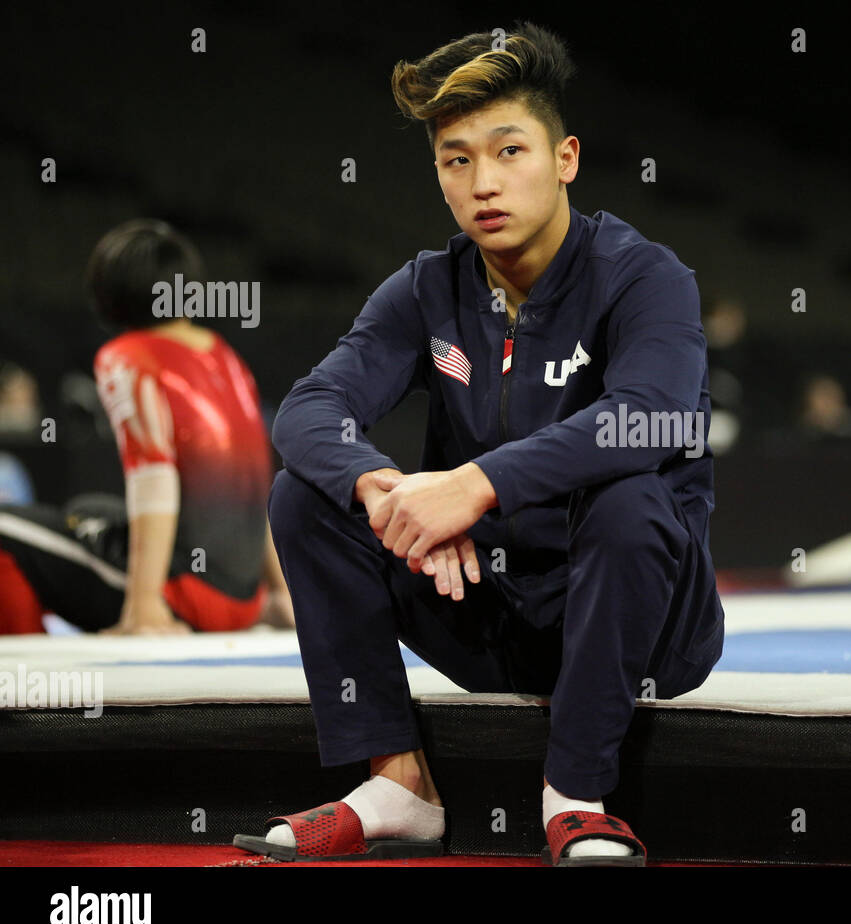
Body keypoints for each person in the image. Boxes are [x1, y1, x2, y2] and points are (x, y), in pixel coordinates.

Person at [236, 21, 724, 866]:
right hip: (488, 614)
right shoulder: (429, 288)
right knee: (306, 492)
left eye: (508, 151)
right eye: (456, 159)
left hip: (642, 623)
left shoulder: (645, 278)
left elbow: (652, 417)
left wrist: (475, 484)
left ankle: (576, 794)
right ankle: (398, 783)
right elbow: (310, 408)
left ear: (565, 157)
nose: (483, 182)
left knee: (631, 496)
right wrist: (384, 487)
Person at [0, 219, 293, 635]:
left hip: (185, 595)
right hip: (243, 600)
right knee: (88, 511)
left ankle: (29, 688)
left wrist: (143, 606)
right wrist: (280, 594)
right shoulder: (224, 357)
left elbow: (154, 478)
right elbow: (252, 482)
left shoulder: (128, 356)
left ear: (107, 294)